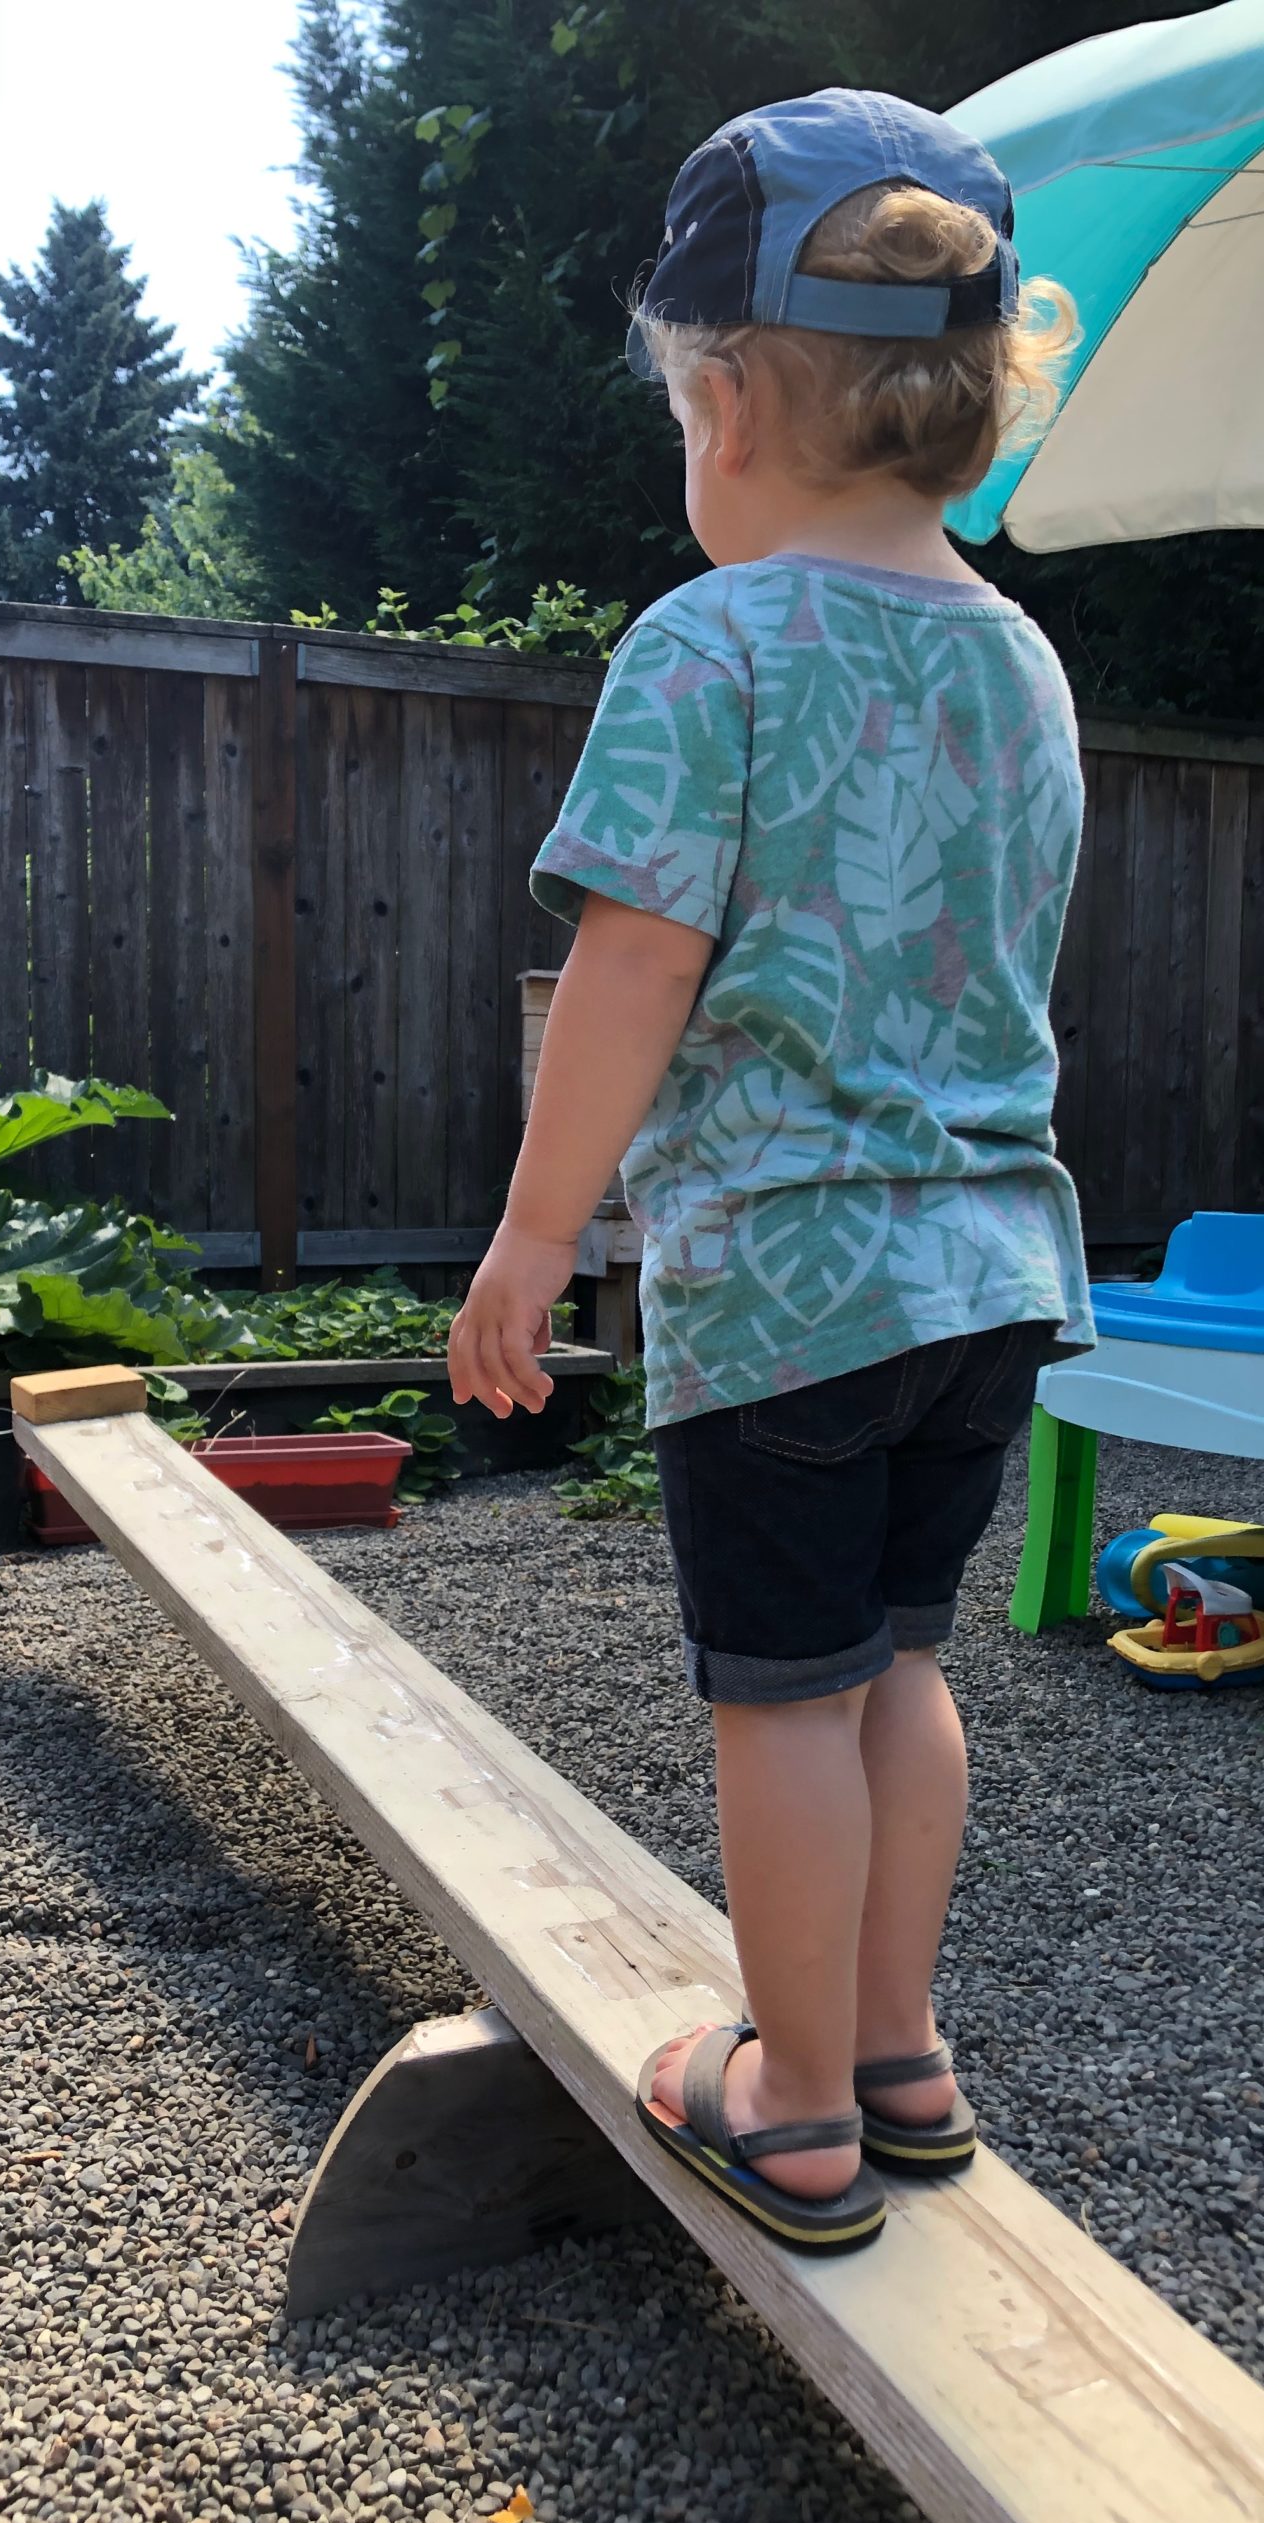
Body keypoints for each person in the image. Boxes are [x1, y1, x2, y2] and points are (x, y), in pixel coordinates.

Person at [446, 89, 1093, 2249]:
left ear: (721, 404)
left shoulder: (704, 647)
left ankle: (796, 2100)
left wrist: (540, 1236)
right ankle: (897, 2049)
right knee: (902, 1668)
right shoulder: (1024, 662)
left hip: (791, 1281)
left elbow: (631, 972)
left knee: (779, 1695)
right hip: (994, 1264)